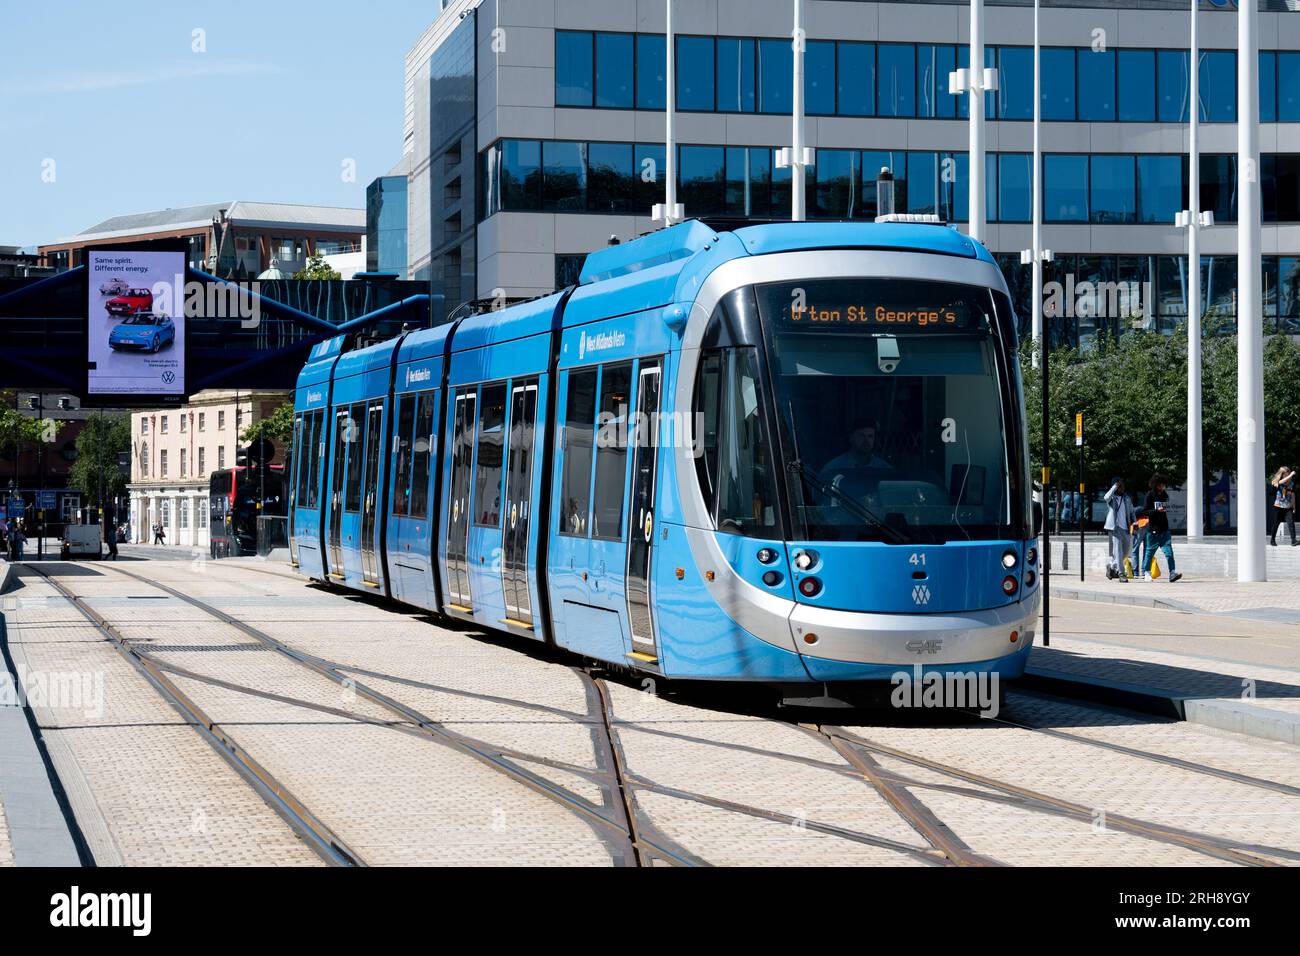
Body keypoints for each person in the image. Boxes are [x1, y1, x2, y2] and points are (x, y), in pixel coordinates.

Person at [1143, 473, 1181, 582]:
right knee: (1149, 552)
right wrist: (1155, 511)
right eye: (1160, 485)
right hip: (1153, 530)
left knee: (1169, 553)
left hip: (1165, 529)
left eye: (1163, 485)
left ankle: (1172, 573)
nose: (1162, 487)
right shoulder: (1149, 495)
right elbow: (1144, 511)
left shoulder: (1164, 495)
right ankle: (1147, 572)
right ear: (1155, 485)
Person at [823, 420, 891, 474]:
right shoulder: (834, 468)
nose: (866, 441)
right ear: (851, 438)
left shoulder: (883, 468)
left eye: (870, 436)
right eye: (861, 435)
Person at [1103, 477, 1134, 581]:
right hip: (1115, 528)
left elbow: (1131, 511)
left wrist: (1134, 522)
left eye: (1122, 486)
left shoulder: (1127, 498)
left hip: (1126, 528)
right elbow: (1106, 497)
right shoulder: (1112, 499)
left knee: (1125, 553)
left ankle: (1111, 566)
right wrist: (1115, 486)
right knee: (1118, 551)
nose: (1122, 488)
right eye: (1119, 486)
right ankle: (1121, 574)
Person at [1269, 466, 1296, 547]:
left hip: (1288, 507)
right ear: (1282, 474)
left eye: (1288, 473)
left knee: (1291, 522)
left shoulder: (1291, 483)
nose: (1287, 476)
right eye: (1286, 474)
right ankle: (1272, 540)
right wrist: (1291, 475)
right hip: (1278, 506)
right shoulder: (1276, 481)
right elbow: (1280, 483)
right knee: (1276, 523)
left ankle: (1293, 540)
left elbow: (1292, 495)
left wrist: (1294, 507)